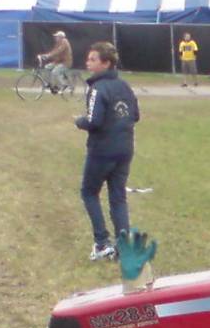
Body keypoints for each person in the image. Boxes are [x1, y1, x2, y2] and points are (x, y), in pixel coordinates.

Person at [75, 41, 140, 262]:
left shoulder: (97, 88)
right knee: (118, 197)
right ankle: (125, 247)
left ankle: (102, 243)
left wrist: (79, 121)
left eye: (93, 59)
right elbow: (135, 115)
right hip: (125, 149)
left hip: (102, 150)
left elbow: (94, 121)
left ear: (106, 63)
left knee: (89, 192)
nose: (88, 62)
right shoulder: (125, 86)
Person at [37, 29, 75, 94]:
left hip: (66, 63)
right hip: (59, 61)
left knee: (55, 72)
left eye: (57, 36)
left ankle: (64, 85)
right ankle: (49, 84)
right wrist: (45, 55)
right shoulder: (58, 44)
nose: (55, 38)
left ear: (61, 37)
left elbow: (58, 51)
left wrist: (48, 56)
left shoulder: (64, 42)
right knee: (47, 67)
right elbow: (54, 52)